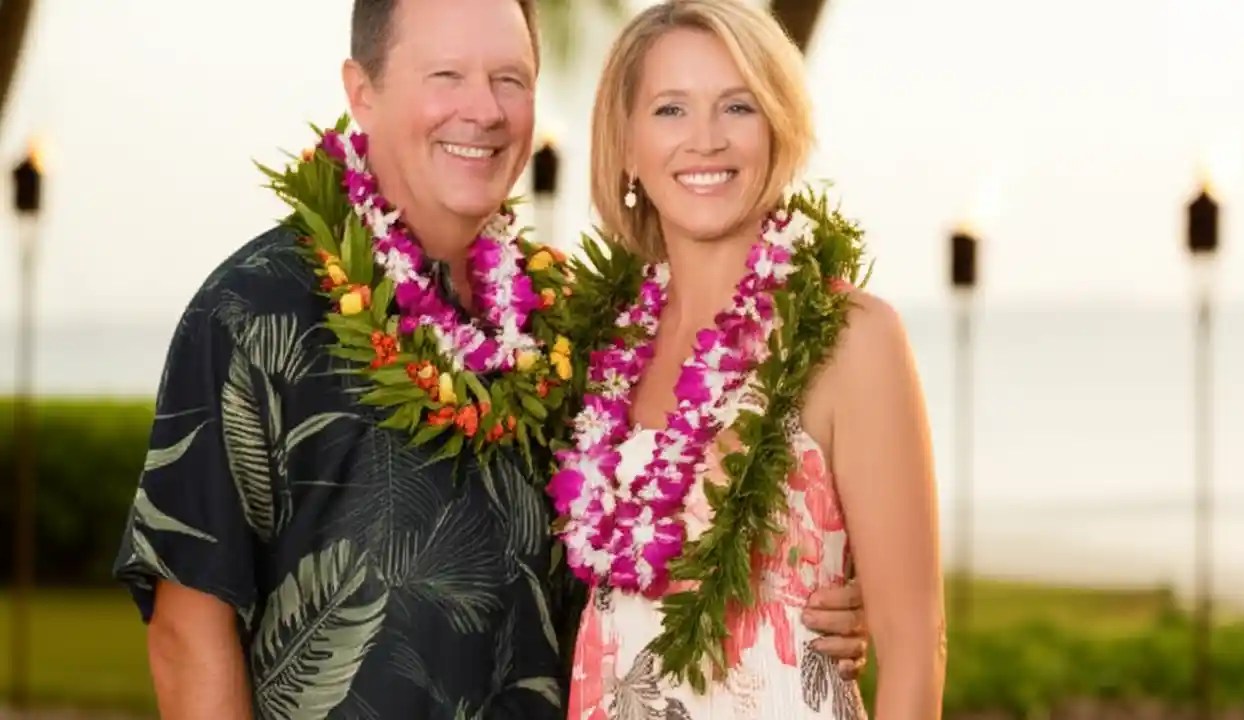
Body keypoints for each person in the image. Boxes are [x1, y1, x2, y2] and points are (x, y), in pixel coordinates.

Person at [111, 0, 871, 718]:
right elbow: (189, 625)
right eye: (446, 76)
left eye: (511, 79)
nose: (484, 109)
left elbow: (655, 531)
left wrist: (824, 589)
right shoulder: (257, 308)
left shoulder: (570, 324)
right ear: (361, 91)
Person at [551, 1, 947, 719]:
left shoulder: (850, 338)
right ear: (629, 145)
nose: (705, 140)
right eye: (671, 110)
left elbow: (917, 651)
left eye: (737, 106)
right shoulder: (601, 345)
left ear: (777, 129)